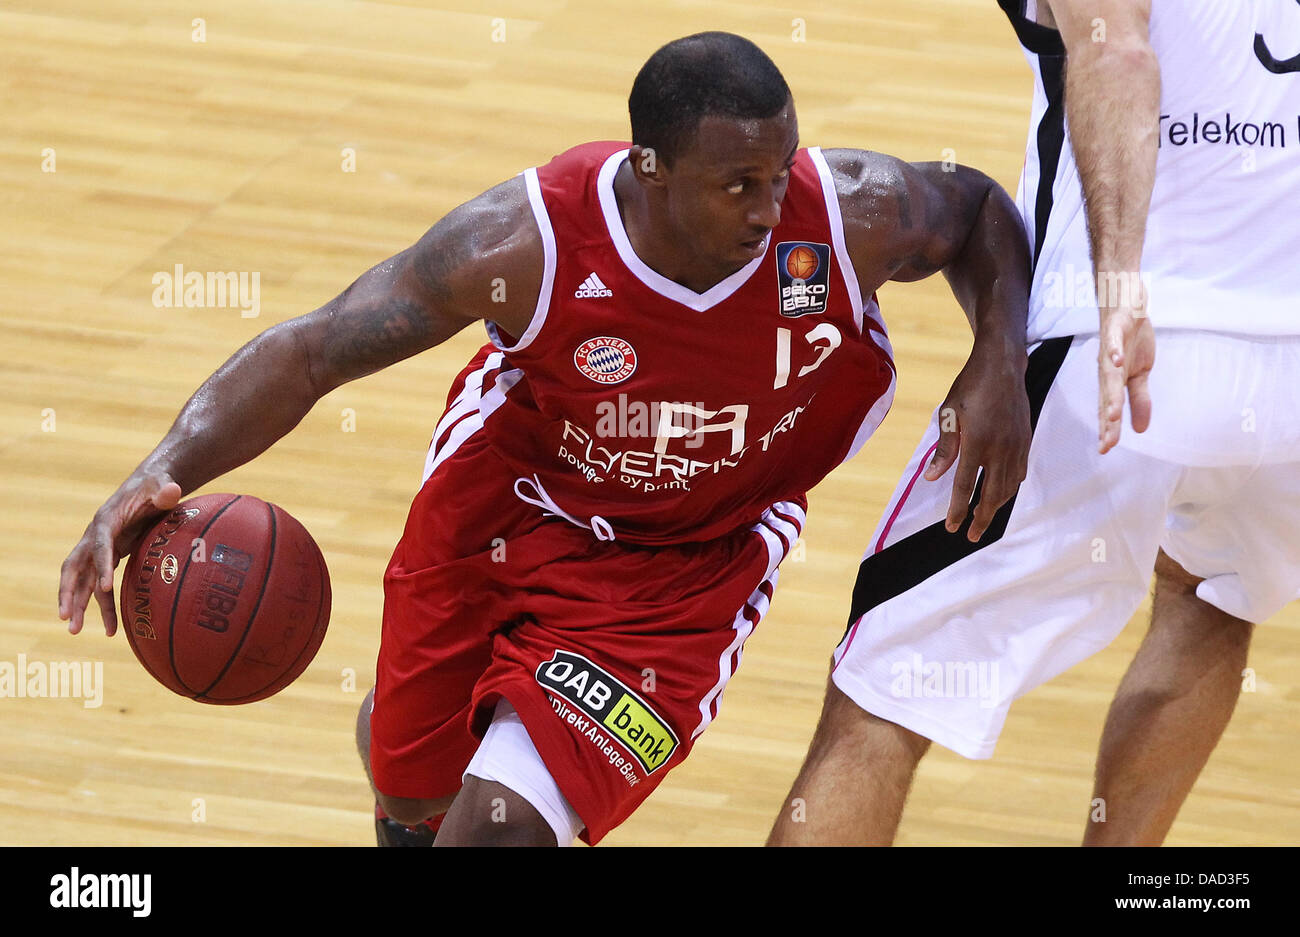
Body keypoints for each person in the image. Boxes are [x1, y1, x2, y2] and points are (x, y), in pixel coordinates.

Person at [58, 31, 1034, 846]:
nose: (767, 207)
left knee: (497, 831)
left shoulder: (844, 215)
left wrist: (997, 358)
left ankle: (482, 741)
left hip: (682, 572)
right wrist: (161, 469)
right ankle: (434, 725)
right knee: (413, 799)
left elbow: (980, 210)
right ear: (648, 169)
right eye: (736, 184)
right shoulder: (521, 247)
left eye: (777, 173)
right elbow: (314, 350)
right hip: (505, 511)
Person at [768, 0, 1300, 847]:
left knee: (882, 689)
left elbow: (1116, 50)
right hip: (1289, 379)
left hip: (1131, 350)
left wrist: (1119, 281)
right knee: (1209, 598)